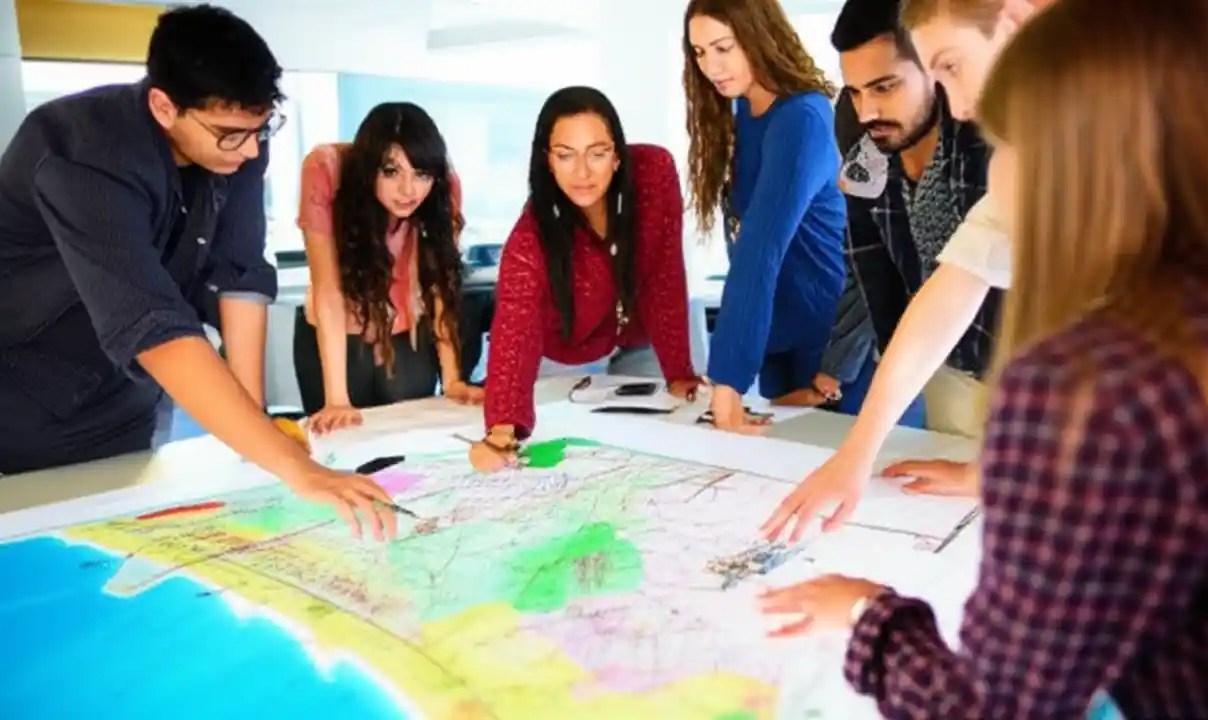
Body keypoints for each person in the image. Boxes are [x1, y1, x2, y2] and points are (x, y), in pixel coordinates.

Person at [758, 0, 1208, 716]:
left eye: (1006, 135)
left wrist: (867, 615)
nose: (972, 122)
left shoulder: (1084, 387)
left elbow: (1000, 706)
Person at [0, 5, 397, 540]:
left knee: (120, 541)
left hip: (126, 400)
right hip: (25, 395)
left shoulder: (237, 142)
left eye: (262, 127)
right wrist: (296, 467)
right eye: (232, 133)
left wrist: (256, 433)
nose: (252, 148)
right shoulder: (81, 149)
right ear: (164, 106)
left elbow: (242, 275)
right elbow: (151, 322)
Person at [761, 0, 1000, 542]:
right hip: (945, 363)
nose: (868, 110)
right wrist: (869, 433)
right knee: (949, 523)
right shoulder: (862, 140)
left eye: (886, 87)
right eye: (856, 91)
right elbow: (874, 269)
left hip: (1033, 368)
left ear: (935, 70)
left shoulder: (989, 137)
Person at [470, 86, 701, 471]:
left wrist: (679, 371)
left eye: (597, 153)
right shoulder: (530, 240)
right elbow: (515, 328)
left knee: (663, 445)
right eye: (565, 155)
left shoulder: (653, 174)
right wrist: (500, 433)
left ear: (617, 155)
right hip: (567, 350)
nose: (582, 172)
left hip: (642, 333)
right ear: (547, 160)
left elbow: (665, 271)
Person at [684, 0, 869, 433]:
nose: (711, 66)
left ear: (758, 36)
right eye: (699, 52)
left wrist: (726, 382)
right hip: (778, 347)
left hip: (831, 352)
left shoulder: (802, 117)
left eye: (723, 47)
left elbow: (759, 250)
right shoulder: (736, 113)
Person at [293, 102, 483, 436]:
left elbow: (440, 283)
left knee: (410, 442)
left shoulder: (444, 188)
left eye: (421, 175)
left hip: (408, 332)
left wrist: (452, 380)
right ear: (369, 168)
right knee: (341, 446)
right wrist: (337, 397)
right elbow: (327, 288)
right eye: (391, 171)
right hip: (335, 333)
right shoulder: (326, 170)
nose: (409, 191)